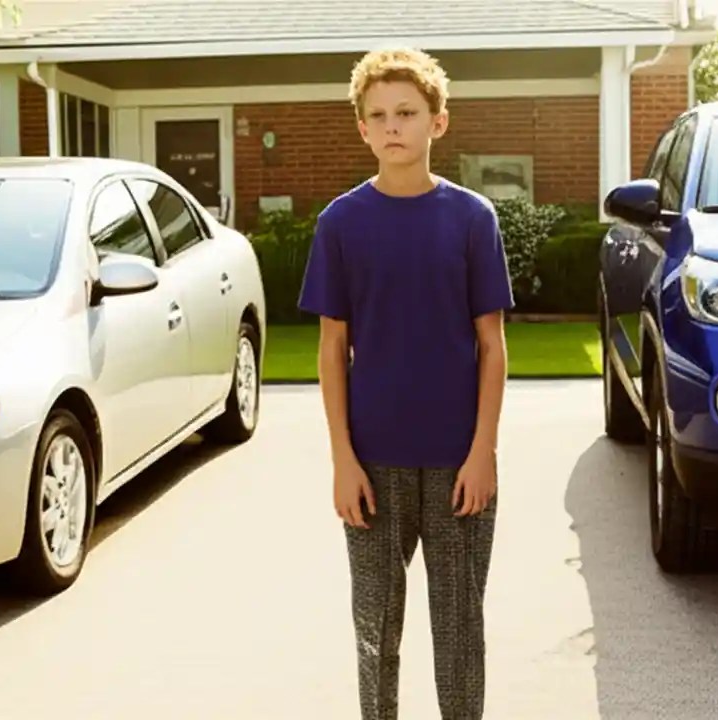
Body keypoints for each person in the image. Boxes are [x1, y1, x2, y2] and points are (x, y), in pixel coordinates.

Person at [296, 46, 514, 720]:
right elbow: (332, 349)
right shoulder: (340, 224)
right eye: (379, 115)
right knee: (376, 633)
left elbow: (492, 346)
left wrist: (484, 453)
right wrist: (341, 460)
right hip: (373, 465)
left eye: (408, 113)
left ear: (437, 123)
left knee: (458, 634)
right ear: (362, 128)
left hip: (458, 465)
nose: (394, 127)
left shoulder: (473, 219)